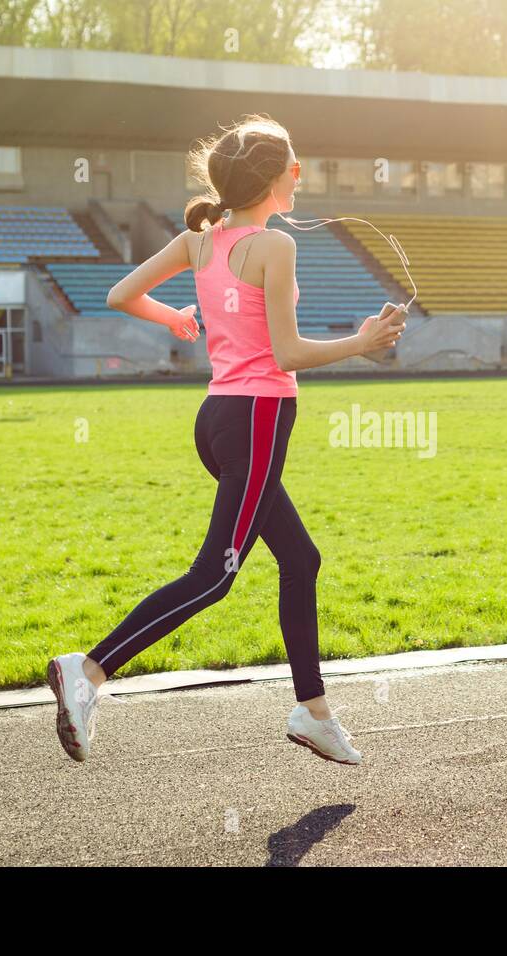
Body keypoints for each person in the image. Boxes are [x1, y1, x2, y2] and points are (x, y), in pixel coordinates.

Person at [47, 113, 405, 765]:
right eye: (294, 167)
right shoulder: (274, 248)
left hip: (216, 422)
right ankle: (88, 671)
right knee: (215, 576)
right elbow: (288, 353)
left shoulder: (201, 240)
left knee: (300, 561)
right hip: (258, 419)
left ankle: (314, 712)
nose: (300, 176)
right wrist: (363, 343)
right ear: (272, 178)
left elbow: (122, 293)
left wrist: (178, 317)